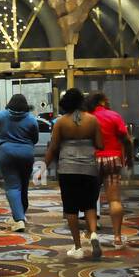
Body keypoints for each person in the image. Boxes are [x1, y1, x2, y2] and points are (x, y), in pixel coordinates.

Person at [45, 87, 104, 259]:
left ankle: (77, 246)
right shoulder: (92, 120)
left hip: (68, 170)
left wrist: (43, 165)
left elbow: (54, 147)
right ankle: (93, 234)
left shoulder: (61, 122)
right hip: (89, 169)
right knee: (89, 205)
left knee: (70, 208)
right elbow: (100, 145)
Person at [86, 91, 133, 248]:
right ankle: (117, 237)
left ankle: (92, 233)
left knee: (91, 200)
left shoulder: (87, 117)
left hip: (92, 160)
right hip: (112, 159)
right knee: (114, 200)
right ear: (103, 102)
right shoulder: (114, 116)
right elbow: (126, 139)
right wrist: (130, 158)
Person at [0, 93, 40, 231]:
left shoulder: (1, 116)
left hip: (6, 154)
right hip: (26, 154)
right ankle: (20, 215)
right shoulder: (31, 119)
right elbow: (35, 139)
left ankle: (19, 219)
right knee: (23, 186)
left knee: (13, 186)